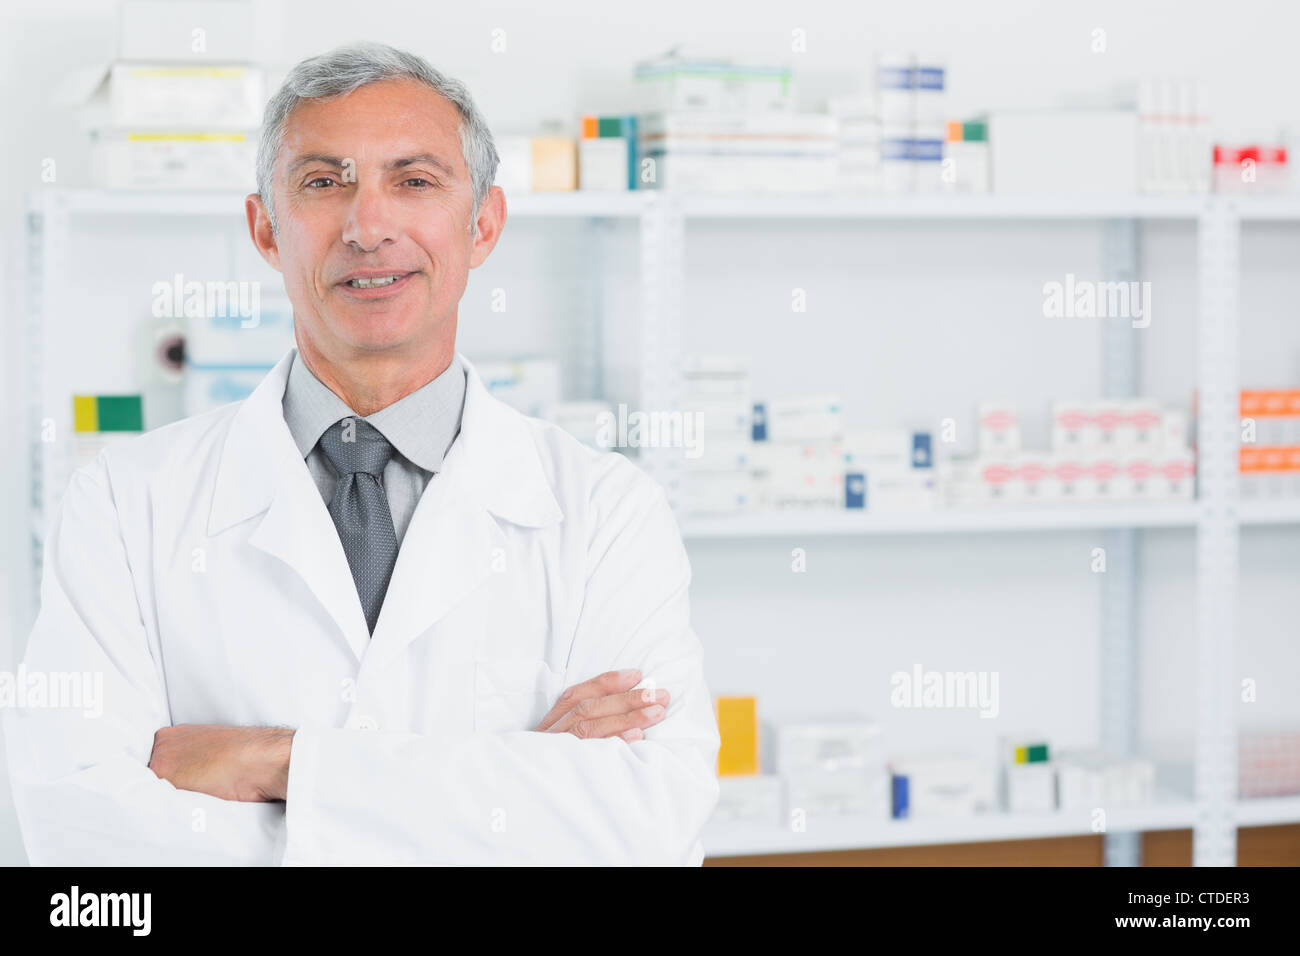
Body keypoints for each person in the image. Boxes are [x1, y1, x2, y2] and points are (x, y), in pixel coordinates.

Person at [4, 42, 720, 865]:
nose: (367, 225)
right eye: (323, 182)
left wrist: (280, 764)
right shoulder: (126, 502)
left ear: (482, 224)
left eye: (414, 181)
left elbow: (651, 825)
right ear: (265, 229)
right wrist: (520, 781)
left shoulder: (607, 513)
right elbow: (82, 832)